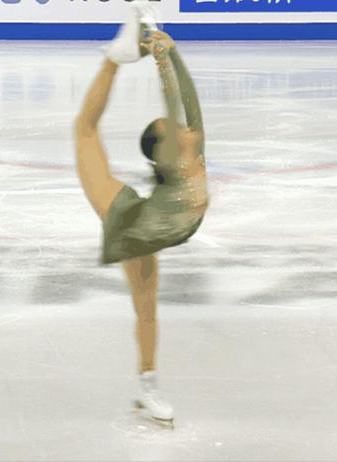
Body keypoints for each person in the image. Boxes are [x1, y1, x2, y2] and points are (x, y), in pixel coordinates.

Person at [73, 3, 208, 427]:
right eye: (175, 131)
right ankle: (114, 60)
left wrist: (174, 51)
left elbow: (188, 102)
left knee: (147, 312)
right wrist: (162, 57)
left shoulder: (194, 153)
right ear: (166, 152)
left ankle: (148, 387)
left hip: (149, 224)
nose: (185, 129)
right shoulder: (183, 159)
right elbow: (172, 102)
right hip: (131, 222)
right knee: (85, 131)